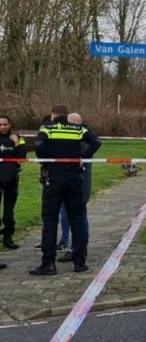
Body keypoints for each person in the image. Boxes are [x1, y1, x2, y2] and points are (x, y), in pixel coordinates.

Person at [30, 105, 101, 276]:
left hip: (54, 178)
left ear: (53, 115)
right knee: (76, 219)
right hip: (74, 178)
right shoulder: (78, 129)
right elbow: (96, 142)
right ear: (67, 115)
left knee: (50, 221)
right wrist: (83, 157)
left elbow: (38, 144)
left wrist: (45, 160)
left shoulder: (48, 128)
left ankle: (48, 264)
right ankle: (79, 263)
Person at [57, 113, 92, 263]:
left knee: (78, 218)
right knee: (76, 216)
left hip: (77, 185)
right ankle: (77, 247)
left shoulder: (80, 139)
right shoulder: (86, 137)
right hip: (78, 184)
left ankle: (78, 249)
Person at [0, 114, 27, 253]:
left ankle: (8, 238)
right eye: (0, 125)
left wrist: (16, 143)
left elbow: (22, 157)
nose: (3, 127)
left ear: (10, 125)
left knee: (8, 213)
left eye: (5, 124)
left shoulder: (17, 138)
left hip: (11, 179)